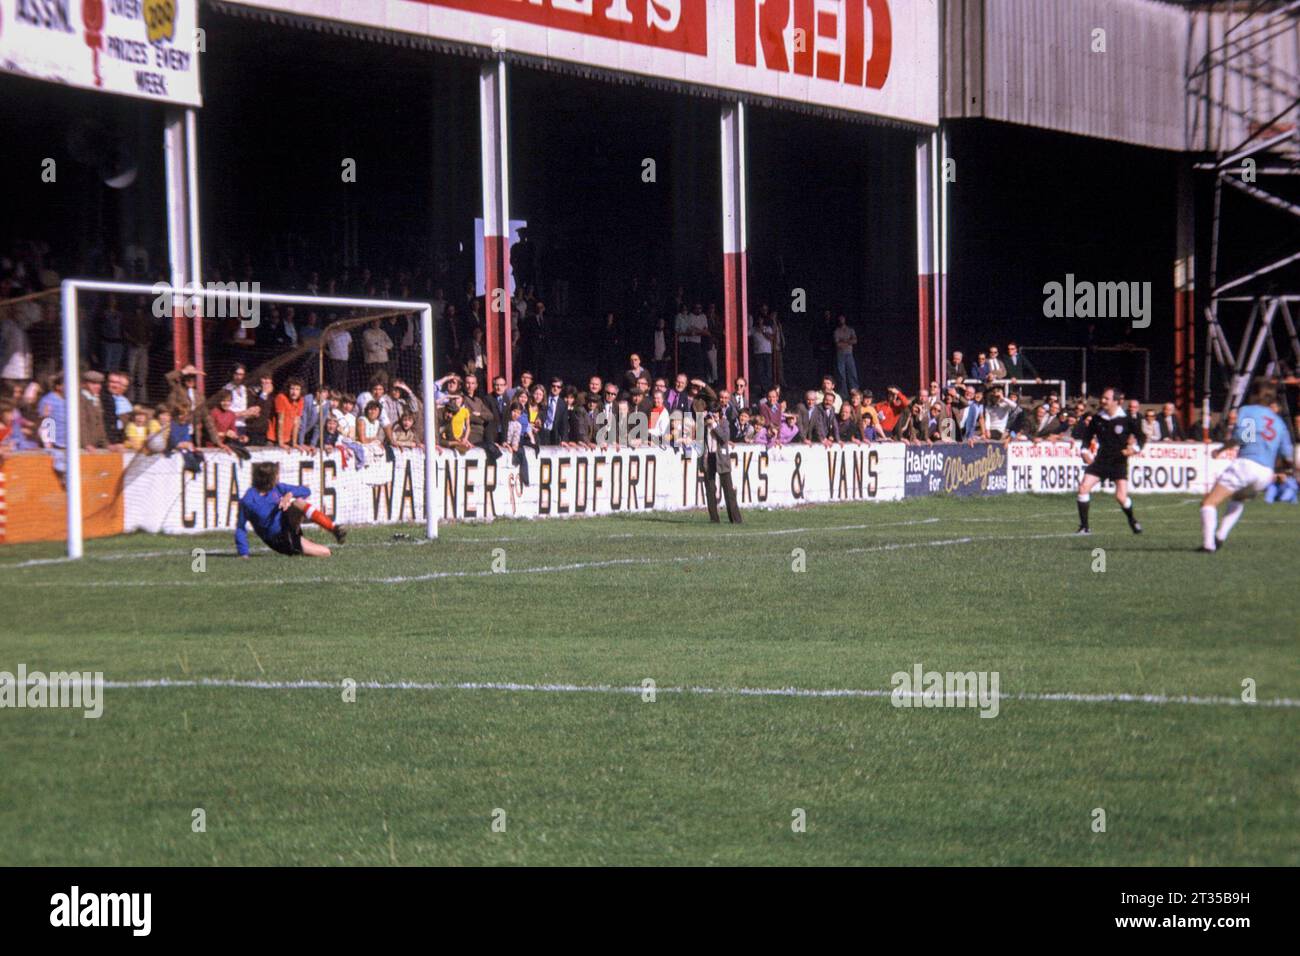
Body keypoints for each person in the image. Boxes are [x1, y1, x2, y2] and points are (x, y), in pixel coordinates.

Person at [1199, 380, 1296, 552]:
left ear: (1255, 393)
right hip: (1265, 474)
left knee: (1208, 503)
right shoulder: (1279, 422)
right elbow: (1288, 456)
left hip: (1247, 465)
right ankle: (1220, 536)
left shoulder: (1249, 411)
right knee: (1238, 498)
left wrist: (1221, 450)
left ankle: (1208, 546)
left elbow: (1245, 437)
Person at [234, 461, 345, 558]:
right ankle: (300, 544)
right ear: (269, 478)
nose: (278, 477)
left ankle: (333, 529)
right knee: (327, 552)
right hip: (278, 539)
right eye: (276, 474)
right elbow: (240, 527)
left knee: (298, 502)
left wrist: (290, 494)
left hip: (287, 525)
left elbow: (306, 491)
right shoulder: (248, 500)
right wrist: (243, 553)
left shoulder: (277, 488)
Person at [1074, 387, 1144, 535]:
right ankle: (1084, 527)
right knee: (1083, 488)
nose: (1102, 400)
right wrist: (1084, 451)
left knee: (1120, 497)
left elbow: (1141, 437)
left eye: (1106, 398)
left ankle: (1132, 519)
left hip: (1118, 461)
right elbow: (1087, 438)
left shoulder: (1126, 419)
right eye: (1102, 398)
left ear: (1117, 401)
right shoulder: (1098, 418)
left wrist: (1134, 449)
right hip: (1101, 460)